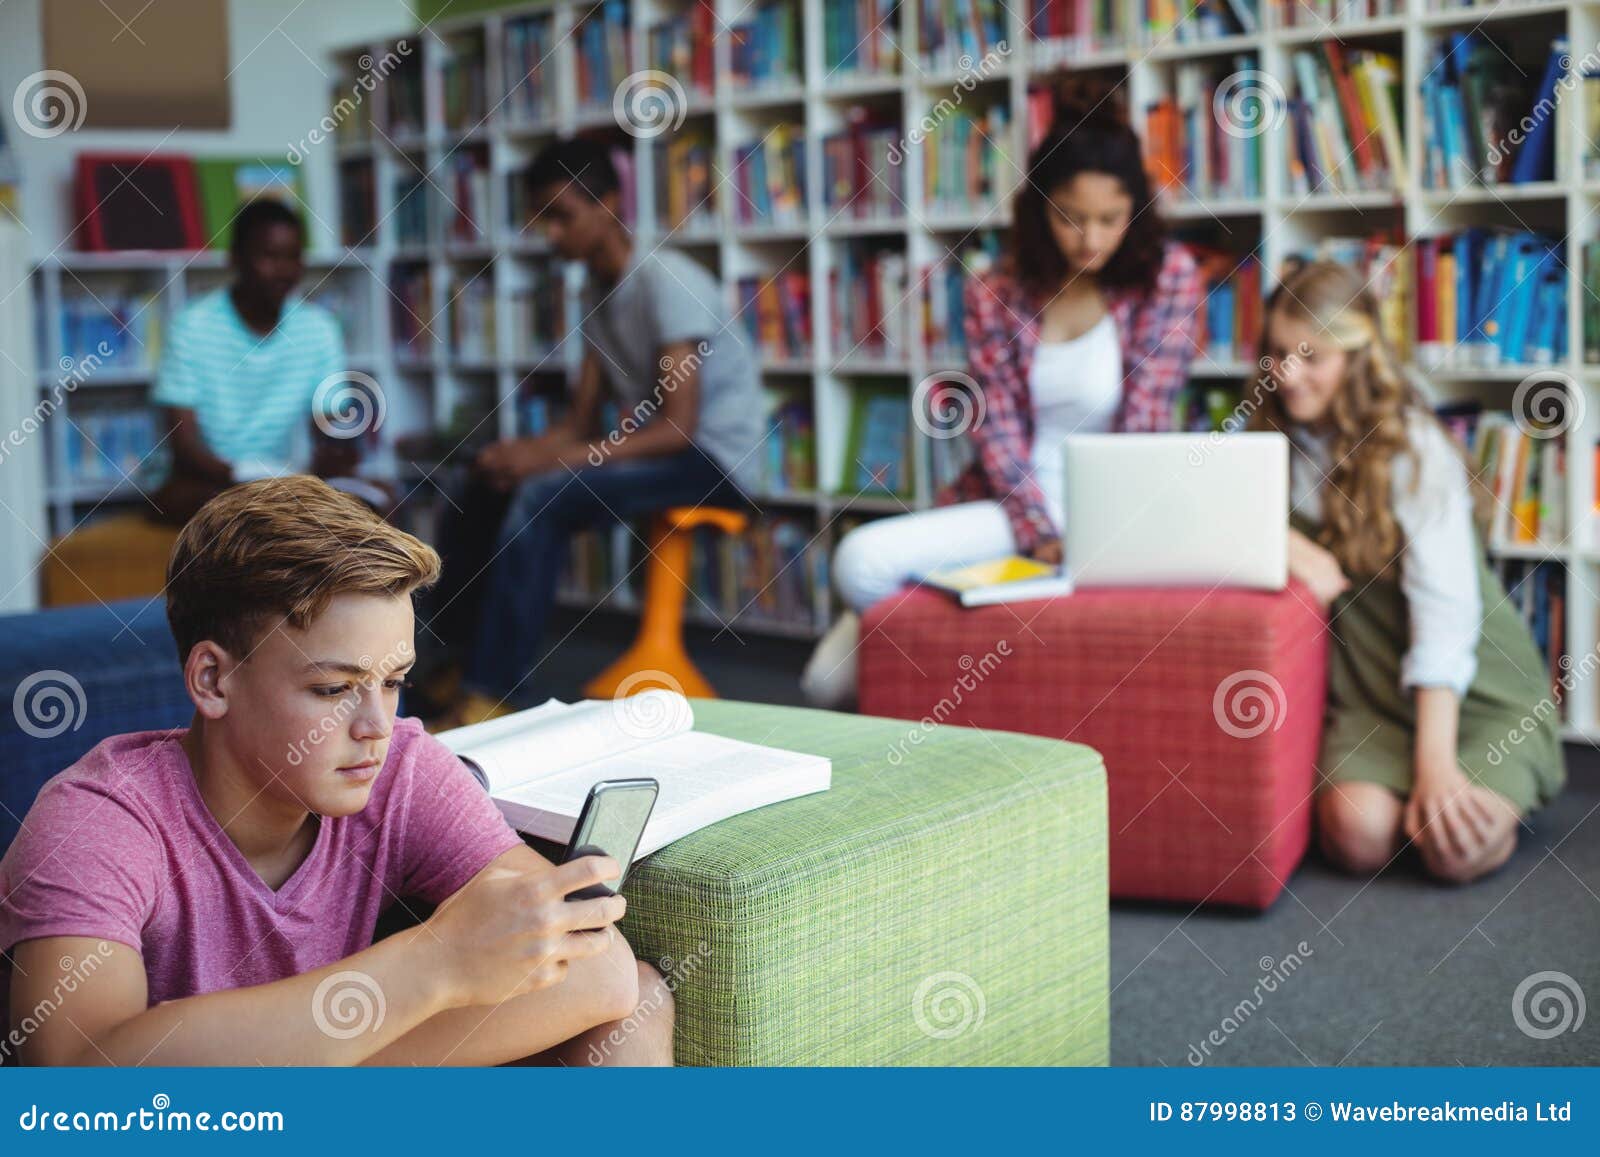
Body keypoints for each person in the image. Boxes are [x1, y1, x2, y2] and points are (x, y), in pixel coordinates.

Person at [0, 477, 674, 1065]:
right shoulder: (98, 819)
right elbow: (79, 1080)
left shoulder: (400, 768)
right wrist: (433, 963)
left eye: (395, 681)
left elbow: (599, 973)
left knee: (638, 1001)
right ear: (212, 678)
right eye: (332, 689)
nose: (376, 727)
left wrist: (310, 1058)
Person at [800, 96, 1206, 707]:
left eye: (1109, 218)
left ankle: (928, 651)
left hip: (1117, 513)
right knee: (856, 565)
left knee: (831, 682)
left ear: (1136, 212)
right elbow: (997, 431)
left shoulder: (1168, 276)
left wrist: (1093, 537)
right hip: (1012, 510)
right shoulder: (995, 290)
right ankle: (933, 650)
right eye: (1069, 217)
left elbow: (1146, 421)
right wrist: (1040, 531)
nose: (1089, 239)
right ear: (1038, 207)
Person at [418, 137, 761, 724]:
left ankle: (494, 692)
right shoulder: (597, 297)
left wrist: (549, 463)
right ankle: (464, 659)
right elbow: (578, 423)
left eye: (562, 217)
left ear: (608, 204)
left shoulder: (664, 281)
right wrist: (519, 452)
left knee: (541, 495)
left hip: (715, 461)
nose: (550, 235)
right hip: (662, 452)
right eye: (541, 220)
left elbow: (678, 429)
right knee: (484, 479)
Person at [1249, 260, 1565, 884]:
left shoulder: (1413, 447)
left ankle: (1462, 790)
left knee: (1454, 851)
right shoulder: (1271, 445)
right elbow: (1198, 509)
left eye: (1313, 356)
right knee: (1360, 838)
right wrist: (1279, 539)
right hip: (1371, 695)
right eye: (1278, 354)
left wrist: (1436, 766)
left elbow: (1446, 617)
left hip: (1472, 694)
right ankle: (1410, 806)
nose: (1288, 376)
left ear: (1359, 357)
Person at [150, 198, 365, 524]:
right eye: (270, 256)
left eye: (294, 257)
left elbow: (333, 423)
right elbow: (184, 446)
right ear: (235, 259)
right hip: (213, 482)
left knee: (376, 498)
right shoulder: (192, 326)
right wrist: (246, 481)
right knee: (198, 504)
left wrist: (336, 447)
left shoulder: (319, 329)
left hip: (291, 481)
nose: (284, 270)